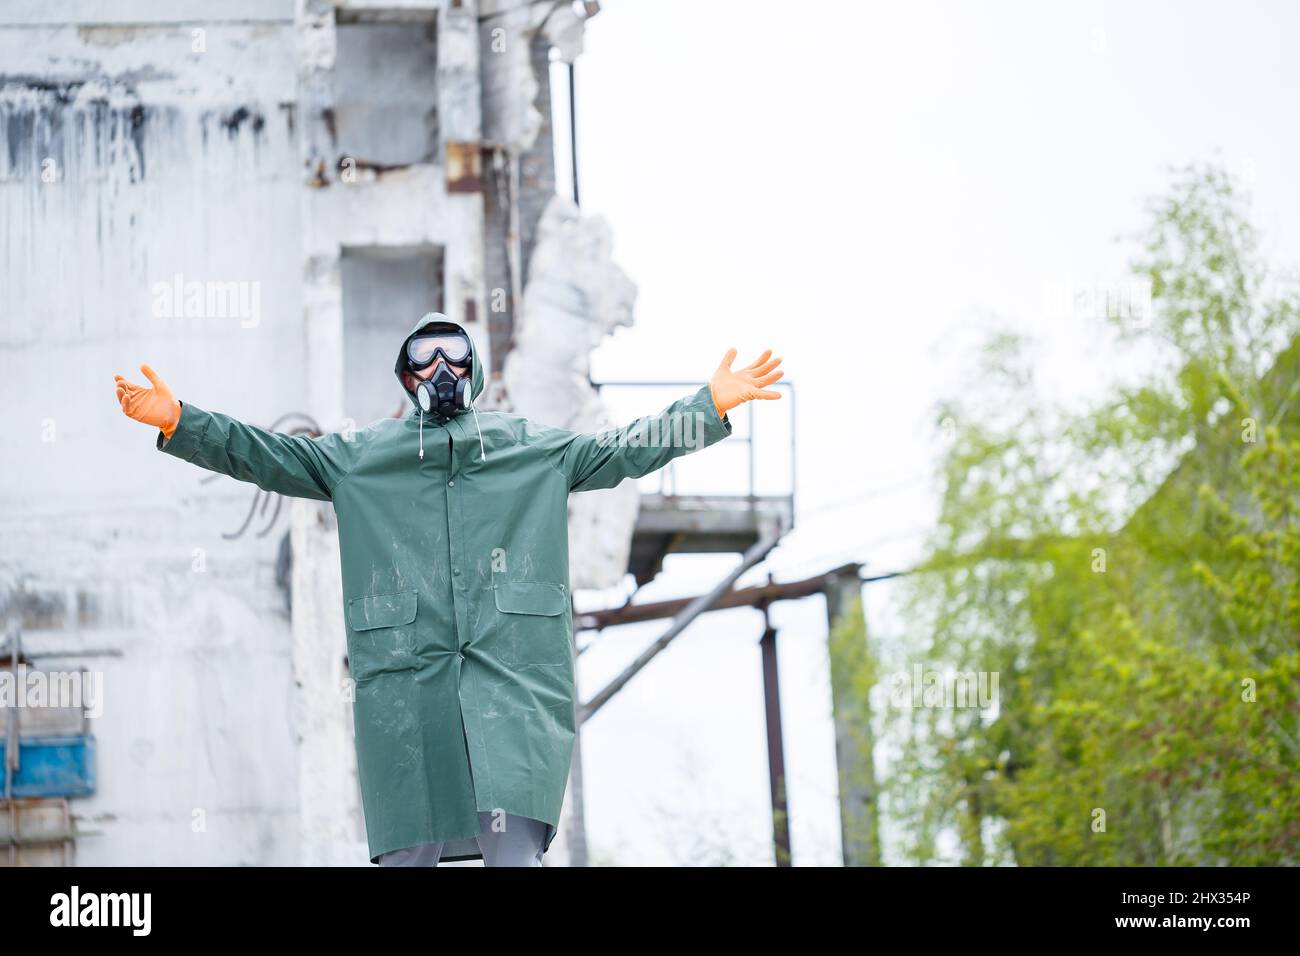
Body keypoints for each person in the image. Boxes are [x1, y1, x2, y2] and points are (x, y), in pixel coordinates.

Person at [114, 313, 784, 866]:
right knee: (409, 845)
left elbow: (624, 450)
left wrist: (707, 406)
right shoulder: (362, 457)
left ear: (474, 370)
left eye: (454, 356)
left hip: (512, 683)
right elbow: (265, 455)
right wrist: (180, 420)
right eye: (425, 359)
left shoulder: (529, 449)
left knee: (514, 849)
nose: (441, 371)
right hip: (407, 687)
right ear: (408, 377)